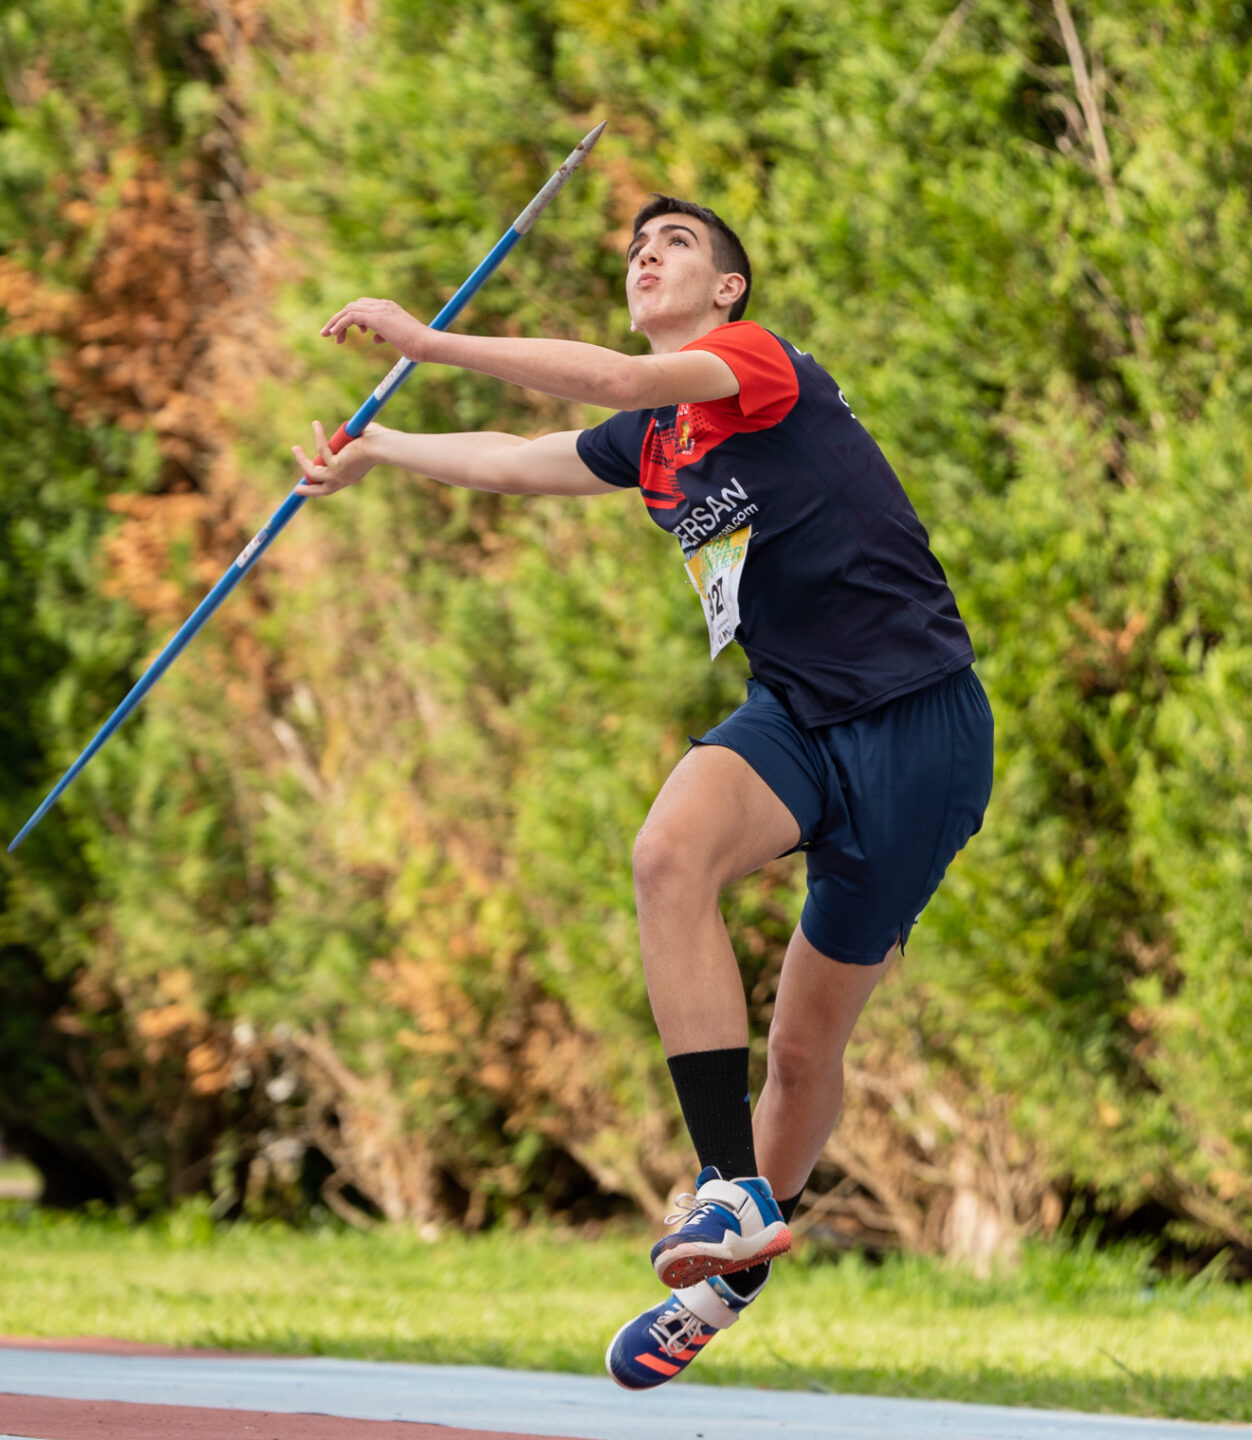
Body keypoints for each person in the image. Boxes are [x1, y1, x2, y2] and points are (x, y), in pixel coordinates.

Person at [291, 195, 993, 1390]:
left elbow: (616, 381)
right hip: (795, 712)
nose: (644, 258)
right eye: (632, 251)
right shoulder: (658, 441)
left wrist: (432, 345)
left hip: (917, 724)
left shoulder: (755, 367)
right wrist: (381, 453)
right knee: (667, 855)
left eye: (673, 245)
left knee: (806, 1048)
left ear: (727, 290)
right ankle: (727, 1191)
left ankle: (730, 1282)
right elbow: (522, 460)